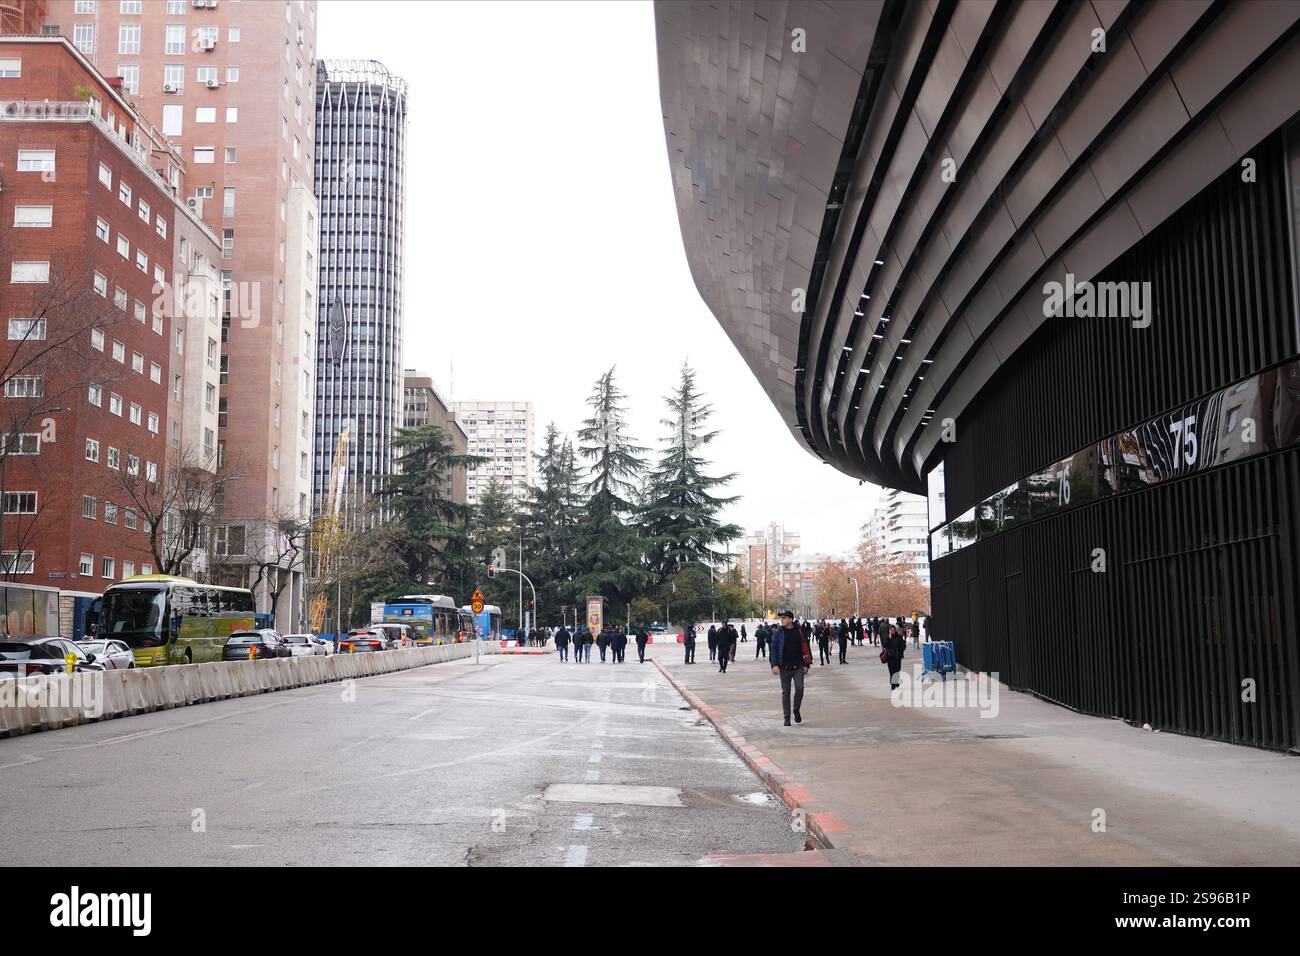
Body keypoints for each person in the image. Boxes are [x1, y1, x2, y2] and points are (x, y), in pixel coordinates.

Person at [769, 610, 811, 726]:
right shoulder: (778, 633)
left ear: (791, 619)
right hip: (784, 667)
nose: (782, 620)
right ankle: (786, 718)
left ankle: (796, 709)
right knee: (786, 692)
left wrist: (807, 664)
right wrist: (774, 665)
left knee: (800, 688)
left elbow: (806, 647)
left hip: (798, 666)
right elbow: (774, 649)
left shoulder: (799, 631)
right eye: (781, 618)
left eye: (785, 617)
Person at [882, 624, 906, 691]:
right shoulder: (887, 637)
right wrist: (889, 638)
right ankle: (892, 685)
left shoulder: (899, 637)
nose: (892, 631)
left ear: (895, 630)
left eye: (893, 630)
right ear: (889, 631)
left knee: (897, 670)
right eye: (891, 630)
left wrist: (900, 651)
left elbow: (903, 645)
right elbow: (884, 645)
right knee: (892, 671)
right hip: (890, 657)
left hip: (898, 657)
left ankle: (896, 681)